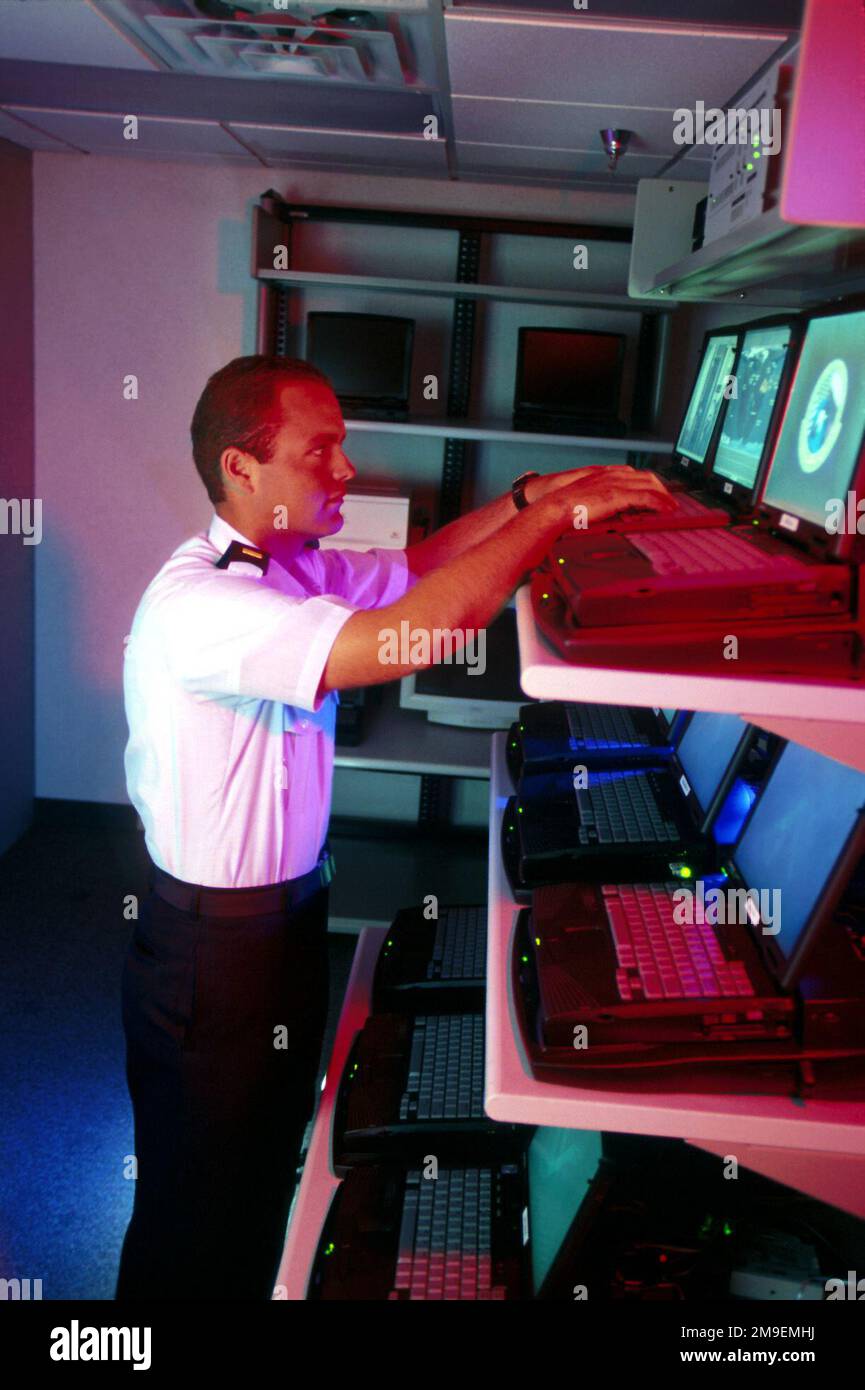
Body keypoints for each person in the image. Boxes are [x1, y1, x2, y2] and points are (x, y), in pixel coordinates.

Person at [115, 354, 675, 1300]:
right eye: (318, 449)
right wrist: (543, 526)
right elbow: (426, 627)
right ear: (242, 470)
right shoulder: (205, 604)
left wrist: (521, 497)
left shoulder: (292, 566)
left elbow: (419, 567)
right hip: (216, 952)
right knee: (198, 1202)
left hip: (275, 923)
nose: (345, 469)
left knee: (255, 1179)